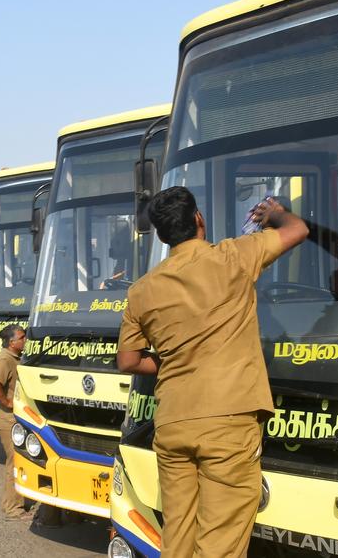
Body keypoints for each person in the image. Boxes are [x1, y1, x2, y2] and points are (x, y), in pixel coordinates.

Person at [116, 188, 307, 558]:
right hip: (227, 420)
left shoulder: (141, 291)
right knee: (220, 541)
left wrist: (174, 359)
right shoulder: (233, 256)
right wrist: (275, 213)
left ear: (162, 235)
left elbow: (128, 361)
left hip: (172, 423)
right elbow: (297, 230)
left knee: (178, 535)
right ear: (199, 219)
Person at [0, 324, 32, 521]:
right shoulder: (5, 358)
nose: (25, 340)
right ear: (12, 342)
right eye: (22, 338)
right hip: (8, 420)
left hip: (15, 419)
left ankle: (12, 503)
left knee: (18, 461)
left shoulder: (16, 356)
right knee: (15, 462)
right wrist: (6, 402)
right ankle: (13, 509)